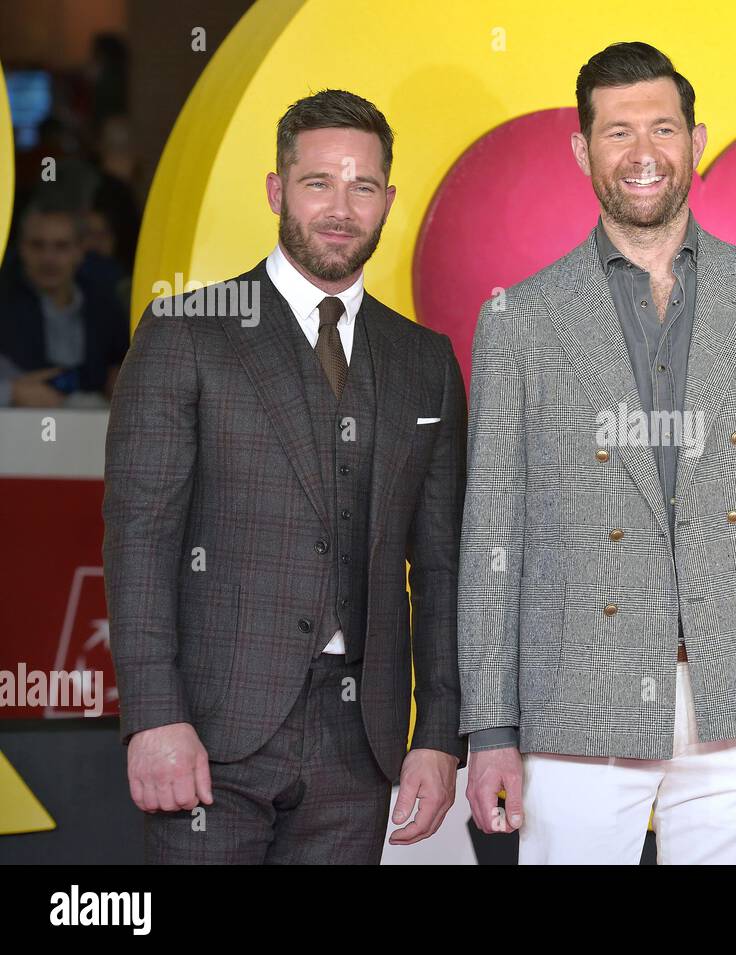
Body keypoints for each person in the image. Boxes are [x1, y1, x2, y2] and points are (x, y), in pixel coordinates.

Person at [459, 41, 736, 865]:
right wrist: (490, 726)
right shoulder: (519, 321)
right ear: (581, 150)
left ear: (696, 142)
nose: (643, 155)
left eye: (663, 129)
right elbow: (492, 539)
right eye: (618, 132)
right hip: (576, 702)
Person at [103, 89, 466, 863]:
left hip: (358, 744)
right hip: (208, 730)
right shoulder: (187, 334)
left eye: (363, 186)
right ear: (276, 189)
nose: (342, 207)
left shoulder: (425, 362)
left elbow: (440, 568)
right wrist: (154, 717)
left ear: (387, 199)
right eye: (318, 182)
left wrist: (437, 735)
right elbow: (140, 539)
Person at [0, 194, 129, 407]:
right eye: (37, 245)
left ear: (79, 251)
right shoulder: (4, 304)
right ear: (21, 248)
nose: (48, 258)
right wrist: (12, 391)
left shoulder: (106, 308)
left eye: (61, 246)